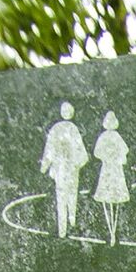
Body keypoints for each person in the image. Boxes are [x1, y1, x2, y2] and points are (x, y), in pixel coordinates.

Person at [39, 102, 87, 239]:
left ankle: (62, 230)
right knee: (72, 194)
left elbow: (49, 150)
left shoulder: (55, 129)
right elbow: (82, 153)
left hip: (60, 169)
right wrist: (78, 163)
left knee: (61, 196)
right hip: (72, 168)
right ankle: (72, 221)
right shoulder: (74, 129)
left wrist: (44, 167)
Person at [91, 110, 129, 247]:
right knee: (116, 199)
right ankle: (113, 231)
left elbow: (97, 153)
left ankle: (111, 231)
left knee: (106, 199)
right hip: (116, 170)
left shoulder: (103, 137)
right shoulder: (117, 136)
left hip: (107, 169)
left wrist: (107, 156)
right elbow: (124, 152)